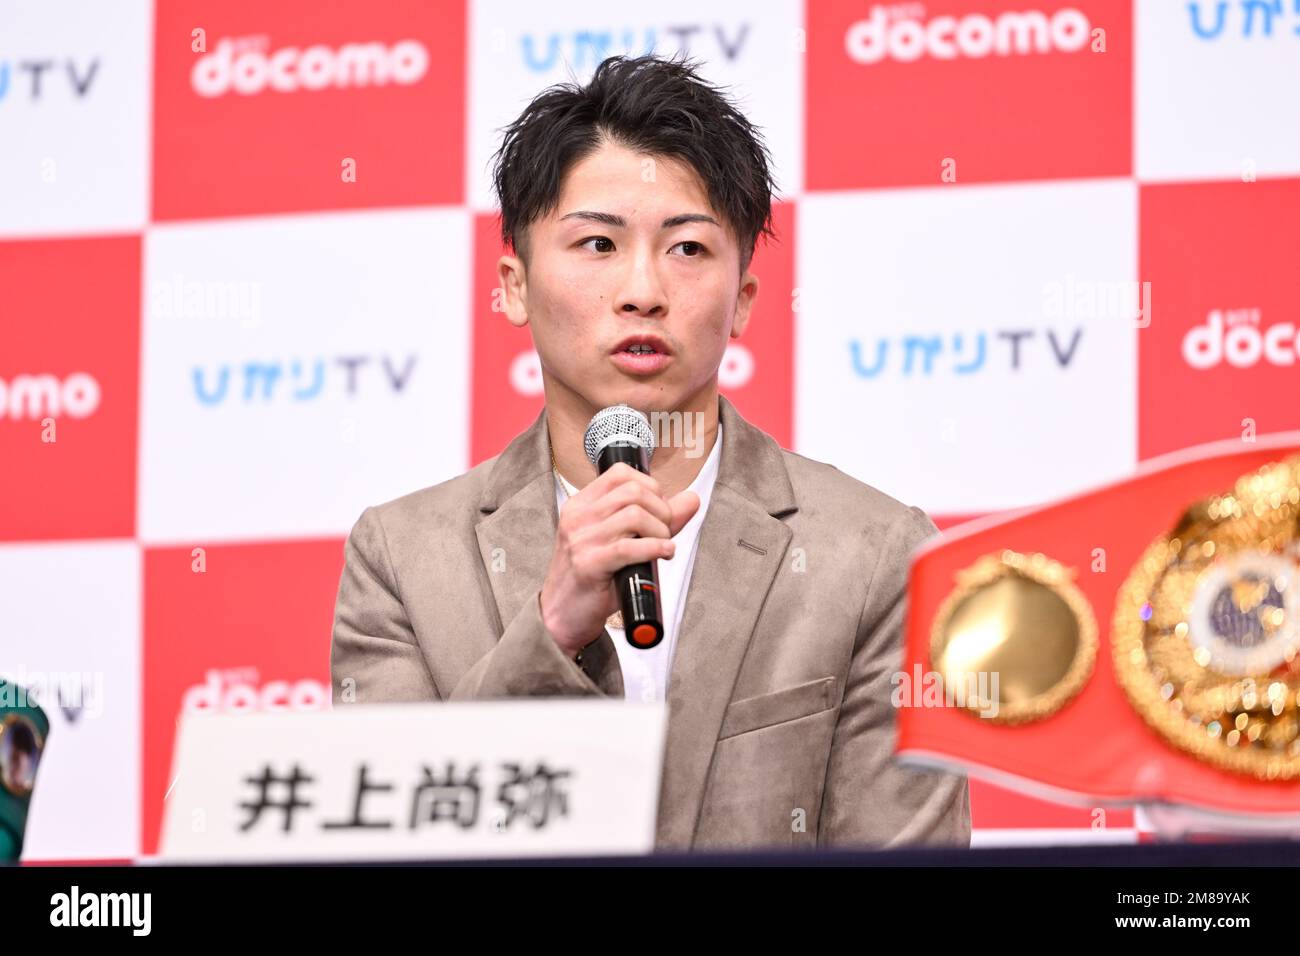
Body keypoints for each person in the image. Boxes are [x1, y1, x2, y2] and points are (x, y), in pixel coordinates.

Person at [331, 53, 970, 851]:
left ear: (742, 301)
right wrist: (550, 630)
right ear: (513, 284)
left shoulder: (874, 555)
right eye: (598, 245)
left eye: (689, 249)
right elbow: (383, 845)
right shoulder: (402, 557)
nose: (643, 289)